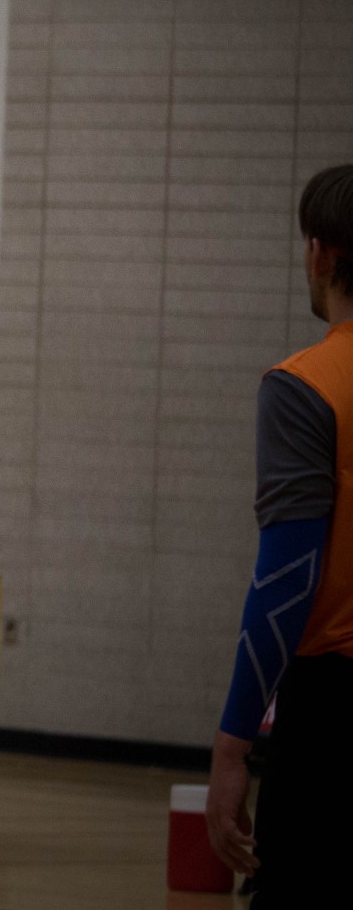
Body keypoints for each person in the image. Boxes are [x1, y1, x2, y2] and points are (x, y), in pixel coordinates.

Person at [206, 163, 353, 906]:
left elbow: (286, 580)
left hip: (333, 712)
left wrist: (234, 743)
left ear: (322, 253)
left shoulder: (306, 385)